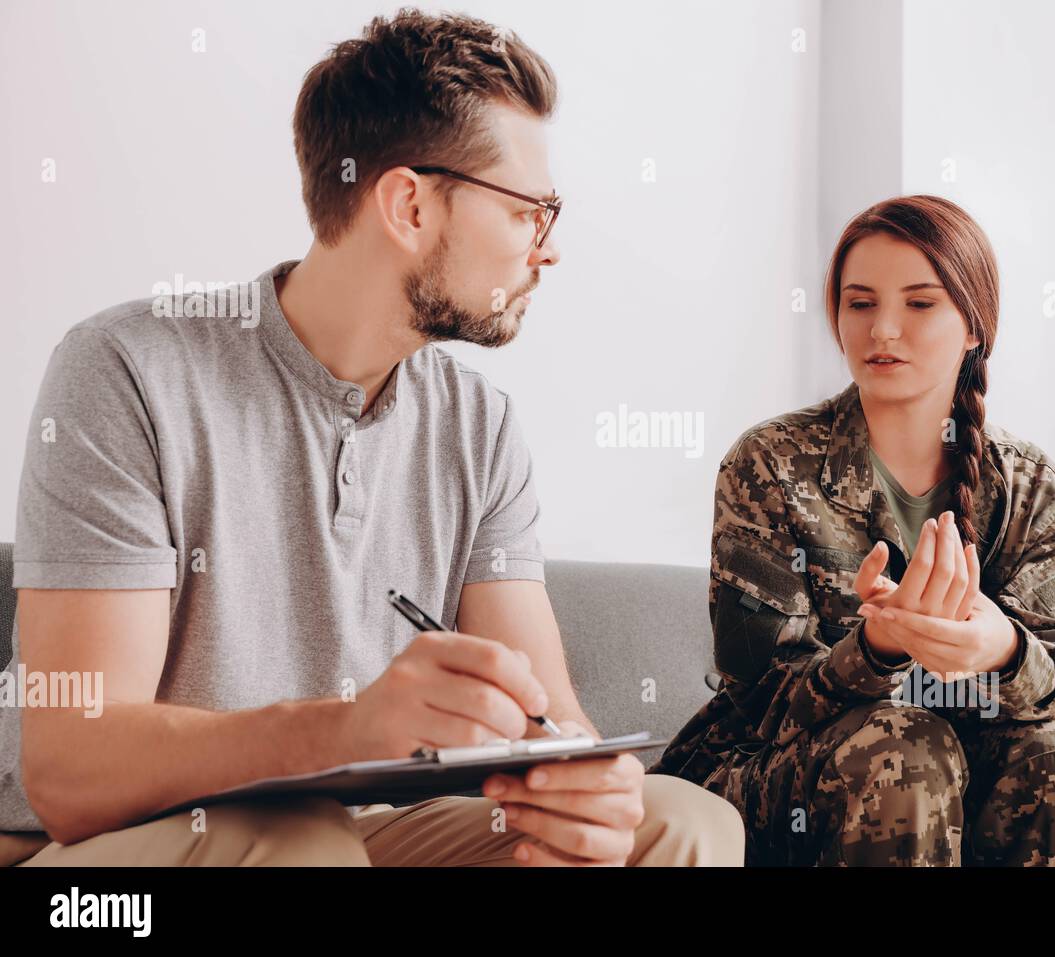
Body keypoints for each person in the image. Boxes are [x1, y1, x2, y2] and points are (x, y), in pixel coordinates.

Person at [0, 9, 742, 868]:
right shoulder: (126, 370)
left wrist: (585, 782)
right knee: (303, 845)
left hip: (369, 835)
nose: (548, 251)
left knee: (685, 822)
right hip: (106, 855)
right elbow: (70, 771)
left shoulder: (479, 425)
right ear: (409, 205)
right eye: (530, 213)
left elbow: (551, 718)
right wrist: (345, 728)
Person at [650, 194, 1055, 866]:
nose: (882, 329)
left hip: (971, 758)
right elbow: (762, 698)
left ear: (974, 326)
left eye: (919, 303)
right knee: (906, 750)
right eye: (859, 303)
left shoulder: (1033, 491)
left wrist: (1000, 649)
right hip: (780, 776)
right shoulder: (769, 463)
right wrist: (874, 648)